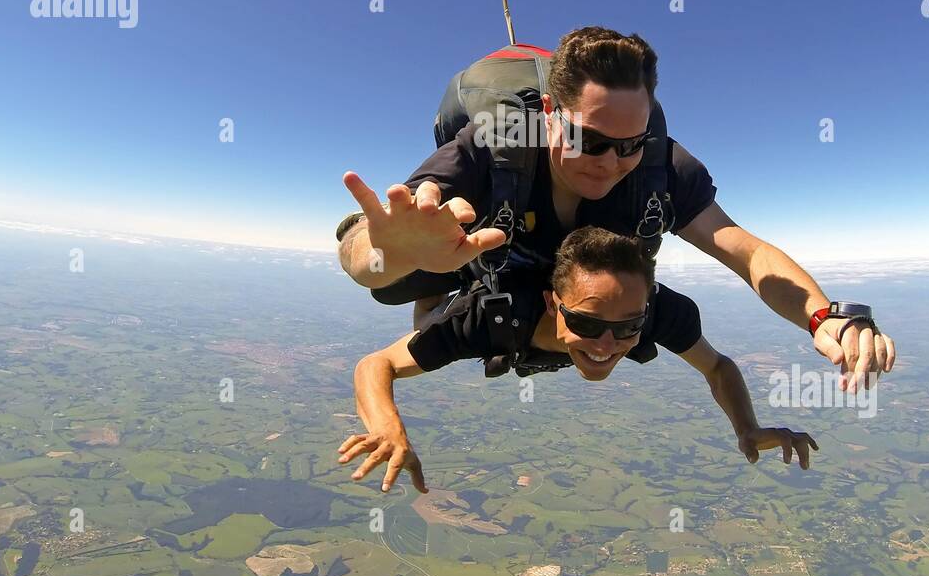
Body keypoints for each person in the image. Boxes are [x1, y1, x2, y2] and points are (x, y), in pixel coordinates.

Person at [338, 26, 897, 392]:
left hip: (568, 270)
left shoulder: (662, 171)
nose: (610, 162)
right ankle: (433, 282)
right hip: (486, 246)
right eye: (590, 140)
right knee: (405, 274)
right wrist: (384, 250)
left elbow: (746, 252)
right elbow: (360, 248)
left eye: (629, 144)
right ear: (551, 114)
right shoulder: (494, 146)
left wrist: (824, 316)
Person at [338, 227, 819, 493]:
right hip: (478, 284)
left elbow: (718, 367)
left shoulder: (658, 313)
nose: (607, 344)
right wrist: (387, 427)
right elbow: (374, 365)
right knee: (406, 299)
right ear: (552, 303)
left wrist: (746, 428)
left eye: (627, 327)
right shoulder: (490, 320)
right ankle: (365, 233)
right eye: (587, 324)